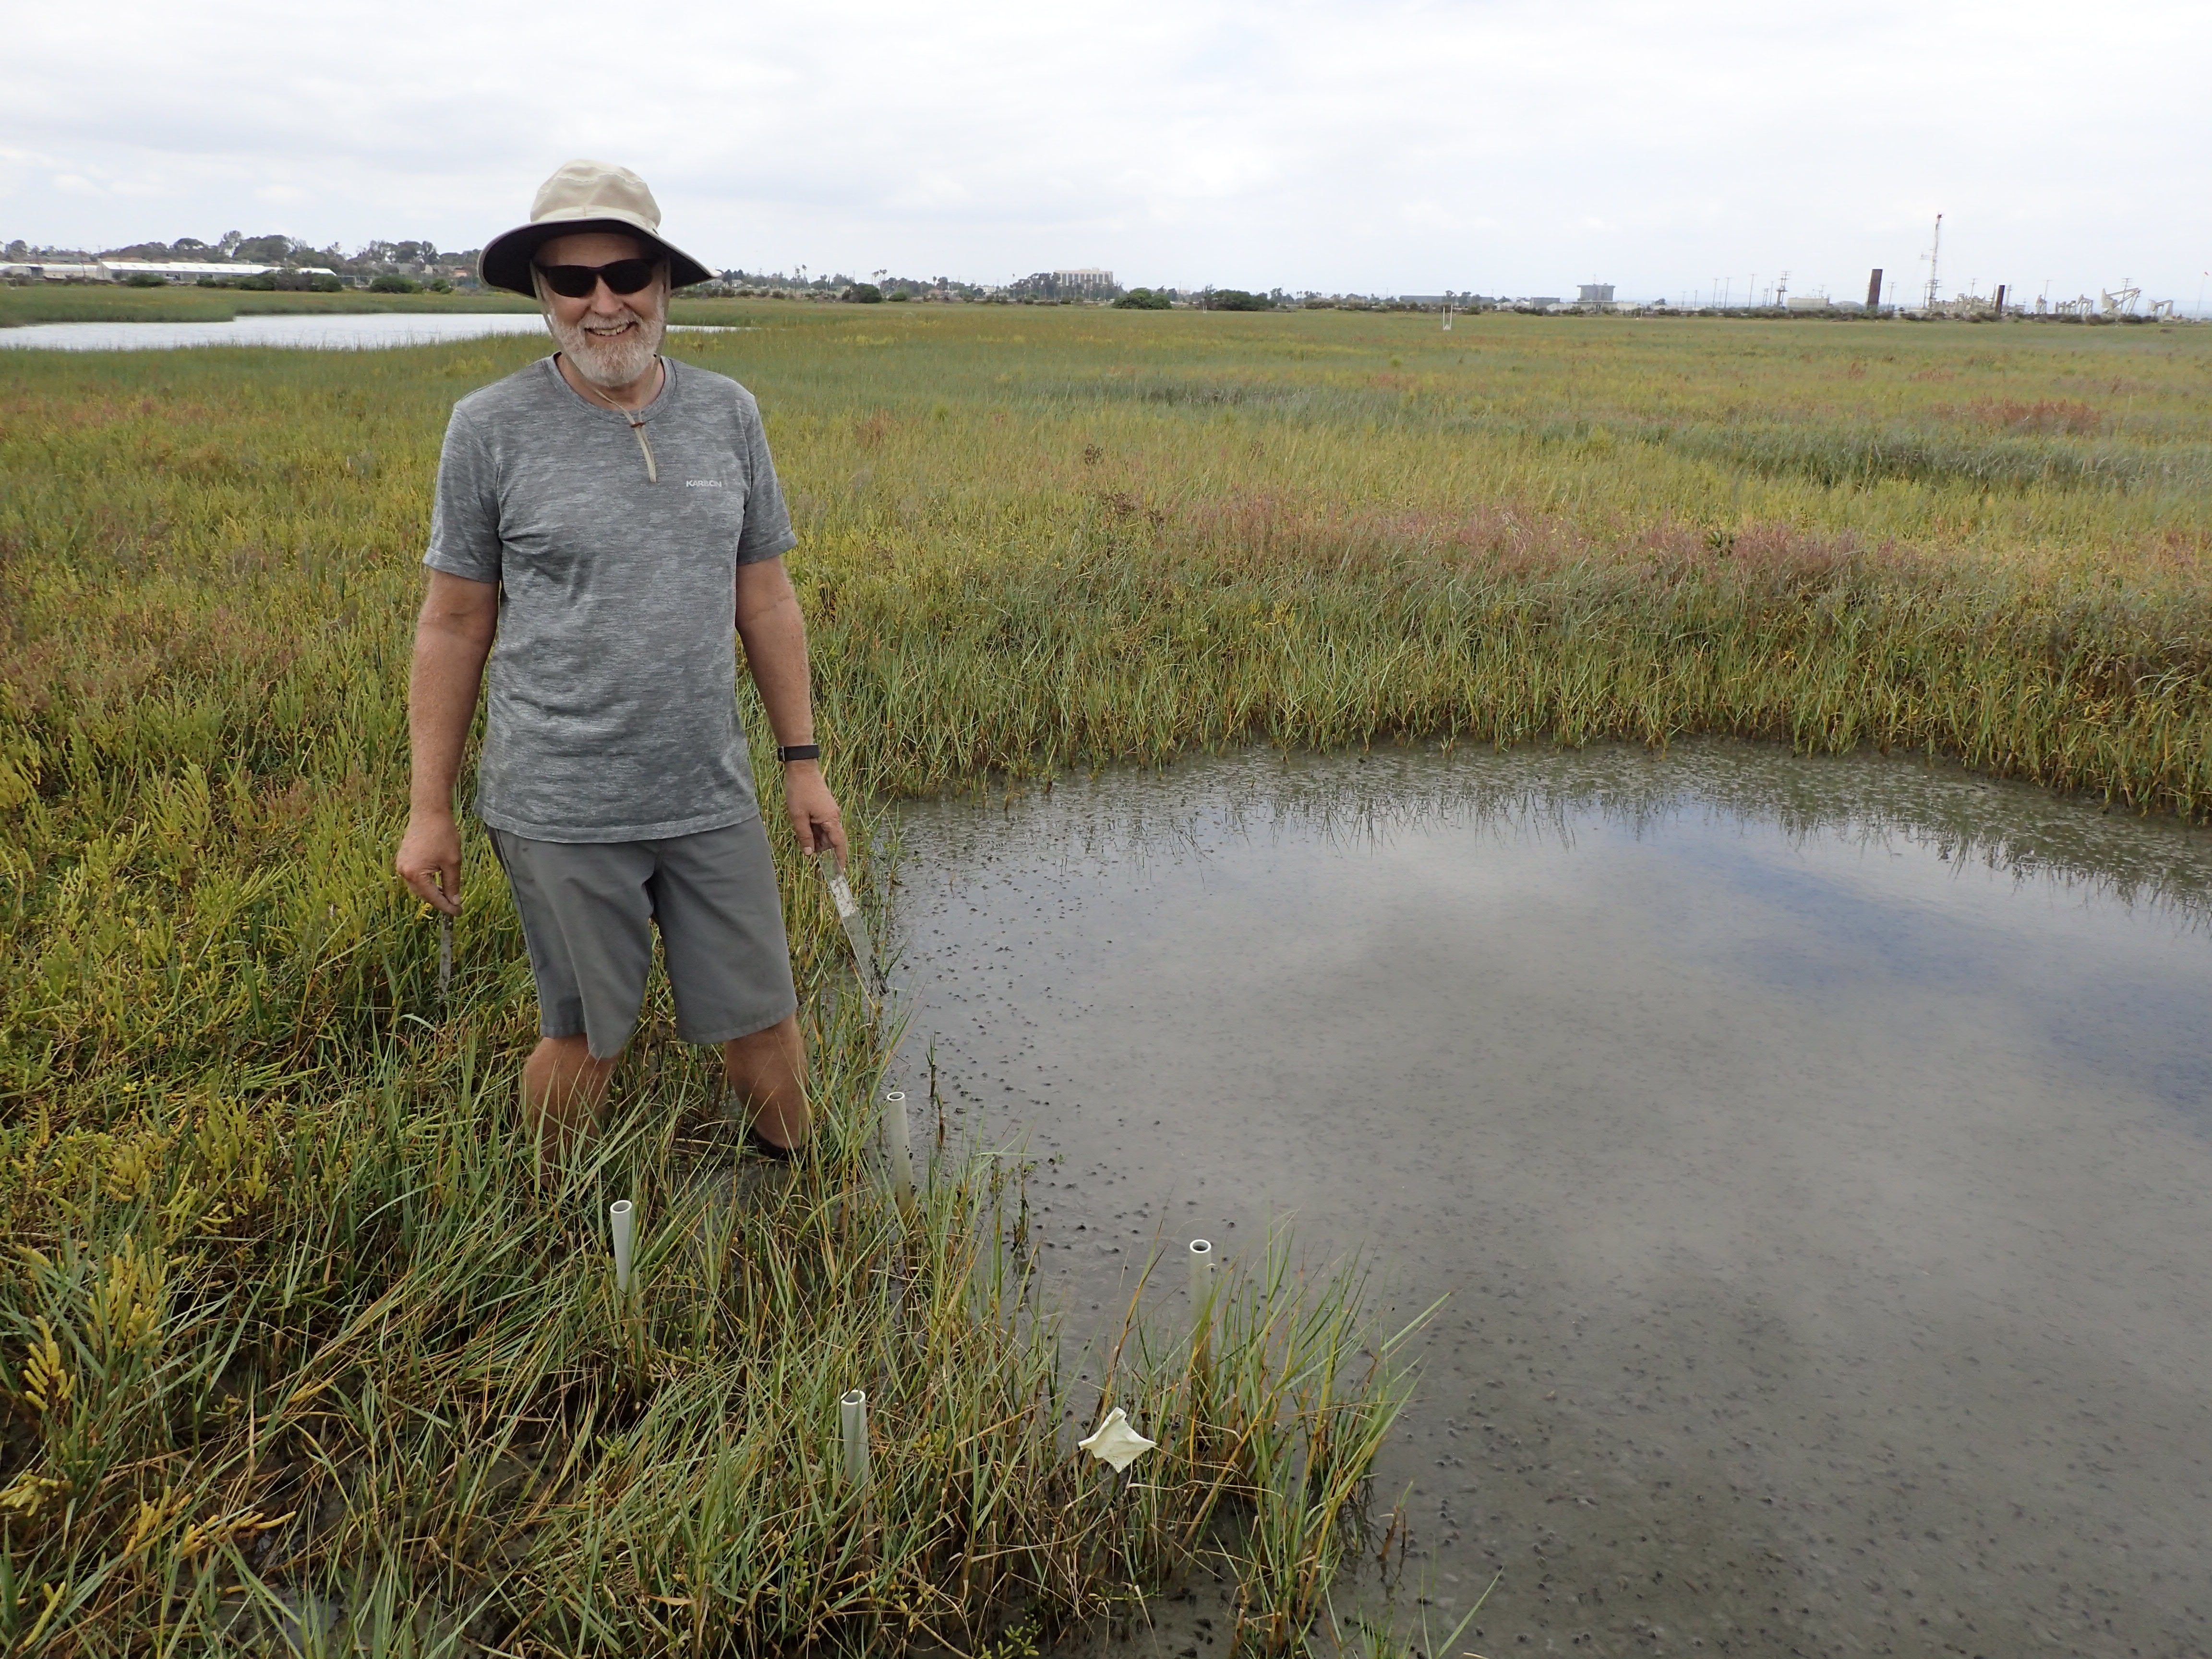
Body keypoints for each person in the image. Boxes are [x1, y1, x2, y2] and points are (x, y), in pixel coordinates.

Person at [394, 159, 843, 1156]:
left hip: (708, 791)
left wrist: (802, 764)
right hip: (560, 802)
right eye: (573, 280)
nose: (604, 303)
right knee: (588, 1041)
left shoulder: (728, 413)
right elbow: (454, 624)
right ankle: (546, 1215)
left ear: (665, 282)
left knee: (765, 1025)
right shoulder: (489, 428)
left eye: (628, 273)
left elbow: (766, 597)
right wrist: (430, 811)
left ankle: (802, 1190)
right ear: (542, 295)